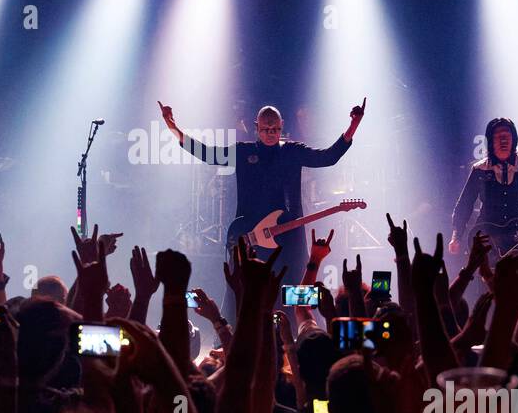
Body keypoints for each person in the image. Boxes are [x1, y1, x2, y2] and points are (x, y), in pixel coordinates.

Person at [157, 99, 366, 310]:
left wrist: (353, 126)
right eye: (266, 128)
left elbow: (327, 157)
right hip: (252, 235)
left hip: (289, 235)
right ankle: (241, 333)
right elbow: (209, 154)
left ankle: (299, 332)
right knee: (247, 291)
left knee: (295, 289)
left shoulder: (292, 151)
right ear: (256, 127)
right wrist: (175, 130)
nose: (271, 133)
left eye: (275, 128)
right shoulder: (243, 151)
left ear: (282, 125)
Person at [450, 116, 518, 258]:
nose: (503, 140)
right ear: (490, 142)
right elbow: (465, 204)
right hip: (487, 238)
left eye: (507, 135)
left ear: (514, 139)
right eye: (498, 136)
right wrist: (456, 236)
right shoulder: (480, 169)